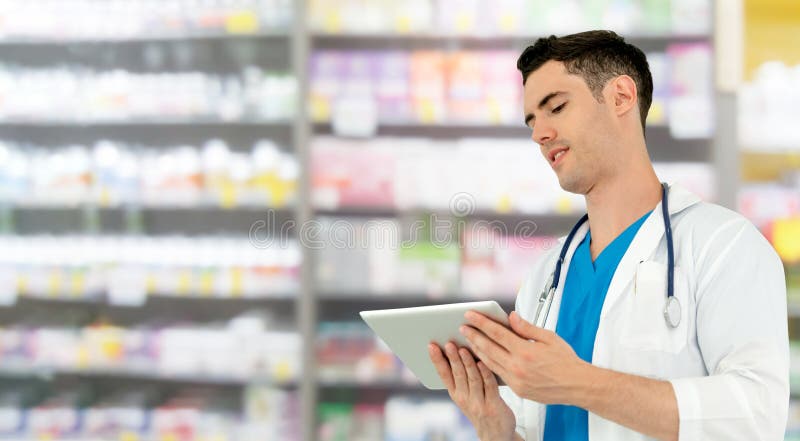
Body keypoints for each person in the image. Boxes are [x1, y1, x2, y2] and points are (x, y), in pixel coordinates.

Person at [428, 30, 789, 441]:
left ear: (621, 96)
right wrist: (494, 425)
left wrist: (579, 382)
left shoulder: (723, 246)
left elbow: (757, 415)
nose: (538, 133)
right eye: (532, 120)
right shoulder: (548, 277)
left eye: (556, 107)